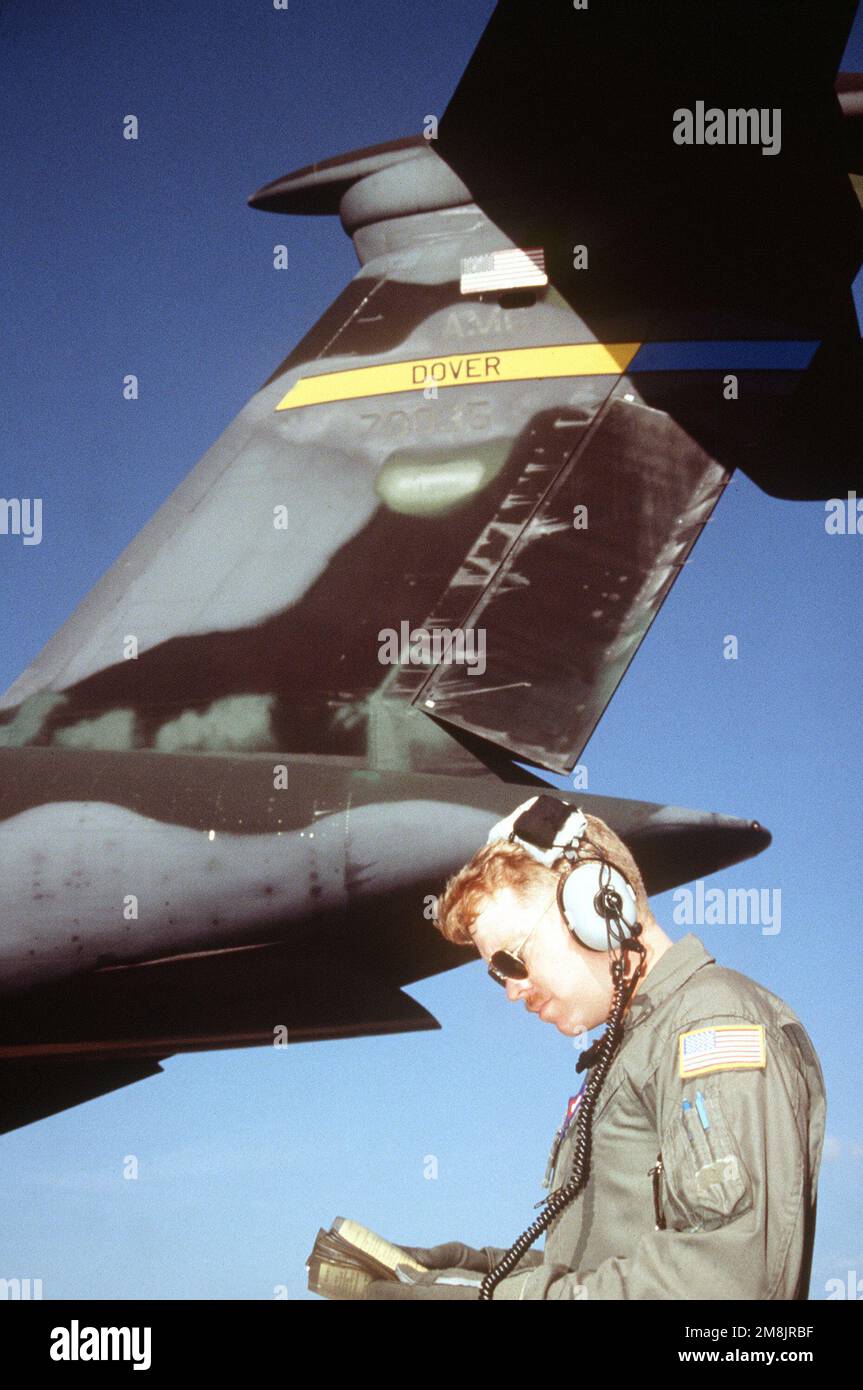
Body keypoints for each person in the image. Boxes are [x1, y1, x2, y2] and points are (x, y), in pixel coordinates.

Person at [361, 795, 826, 1300]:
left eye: (513, 961)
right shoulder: (634, 1049)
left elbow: (728, 1280)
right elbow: (615, 1264)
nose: (513, 990)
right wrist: (475, 1272)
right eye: (498, 977)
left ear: (600, 904)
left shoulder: (709, 1024)